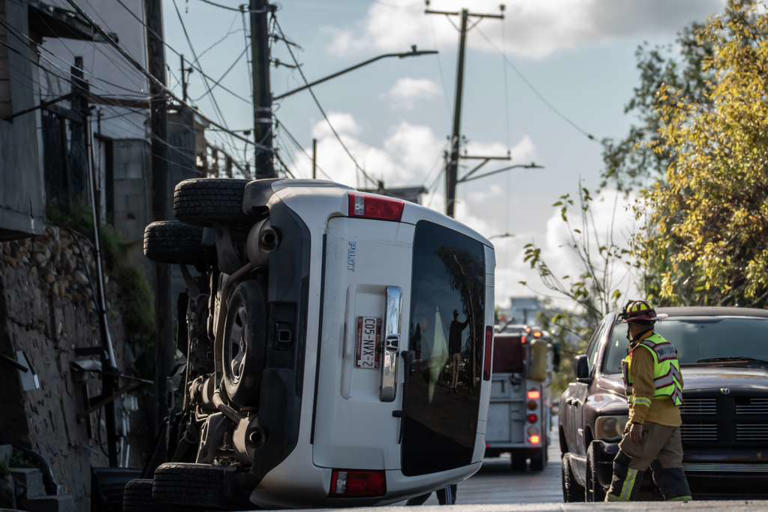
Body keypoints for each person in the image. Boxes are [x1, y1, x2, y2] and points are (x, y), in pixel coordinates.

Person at [605, 300, 691, 502]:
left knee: (626, 465)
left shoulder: (643, 351)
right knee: (671, 472)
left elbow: (643, 392)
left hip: (651, 419)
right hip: (671, 420)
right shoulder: (664, 345)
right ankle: (685, 507)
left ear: (633, 326)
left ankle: (617, 507)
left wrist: (636, 422)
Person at [448, 310, 468, 391]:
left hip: (457, 351)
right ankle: (453, 386)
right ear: (454, 315)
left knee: (456, 369)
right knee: (454, 369)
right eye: (455, 315)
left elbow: (465, 325)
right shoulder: (453, 324)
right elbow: (450, 337)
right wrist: (450, 349)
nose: (456, 316)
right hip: (455, 351)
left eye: (456, 315)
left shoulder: (458, 324)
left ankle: (454, 386)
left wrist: (468, 318)